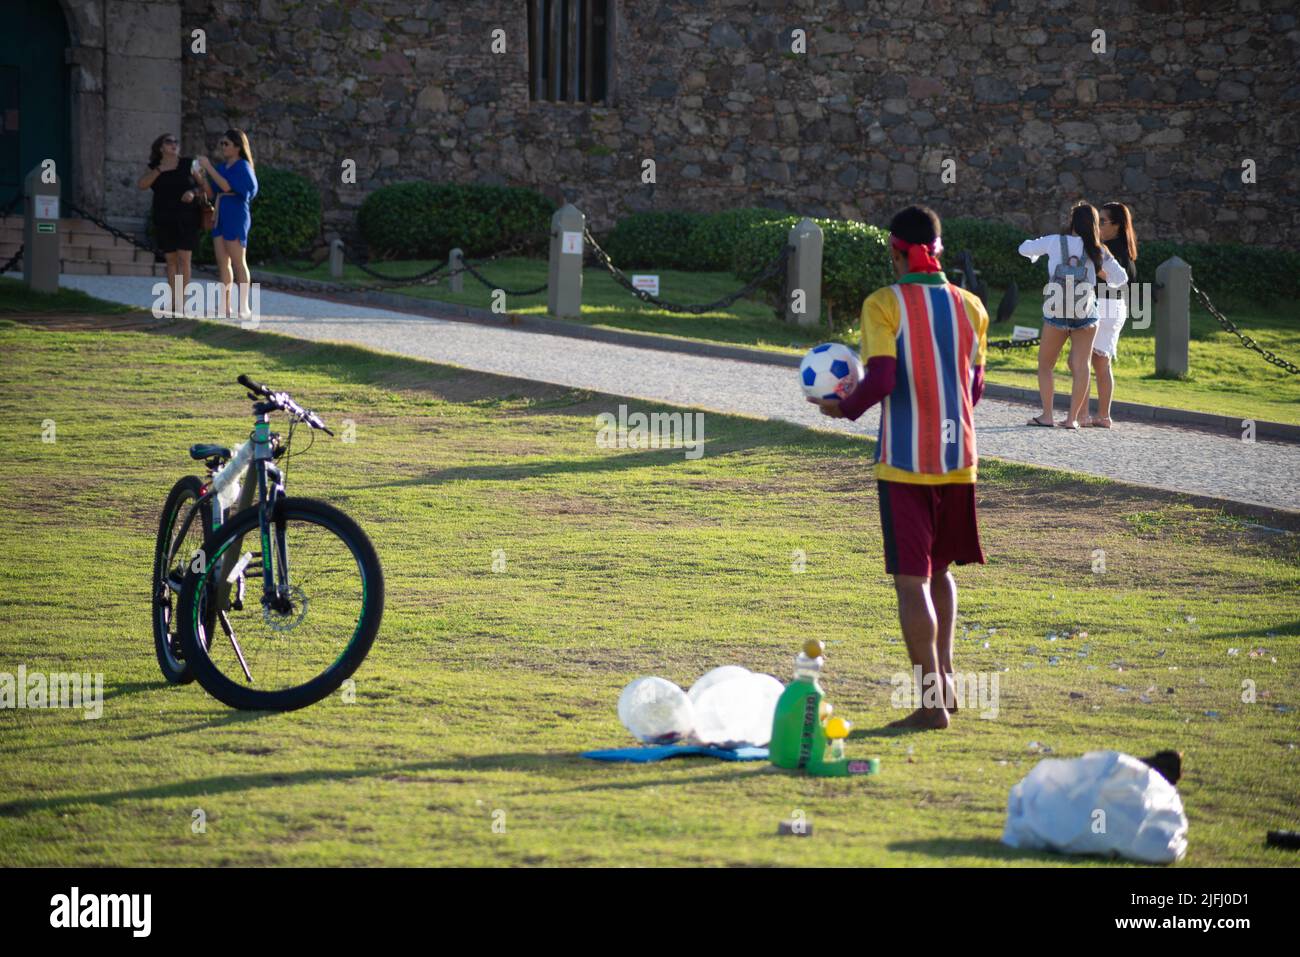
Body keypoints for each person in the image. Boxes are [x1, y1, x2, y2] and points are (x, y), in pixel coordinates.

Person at [809, 205, 989, 731]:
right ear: (937, 248)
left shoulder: (883, 304)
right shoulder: (971, 305)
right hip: (960, 462)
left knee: (910, 583)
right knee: (941, 572)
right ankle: (947, 685)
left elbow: (883, 378)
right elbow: (975, 387)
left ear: (895, 251)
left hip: (906, 464)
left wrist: (841, 408)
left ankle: (932, 706)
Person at [1018, 202, 1128, 429]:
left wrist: (1042, 253)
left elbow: (1024, 248)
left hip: (1057, 312)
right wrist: (1100, 272)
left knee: (1046, 365)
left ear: (1072, 222)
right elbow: (1121, 278)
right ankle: (1073, 419)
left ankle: (1047, 416)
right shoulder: (1098, 250)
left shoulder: (1054, 241)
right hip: (1086, 314)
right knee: (1082, 366)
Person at [136, 133, 209, 316]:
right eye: (169, 142)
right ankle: (173, 301)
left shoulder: (190, 163)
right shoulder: (155, 167)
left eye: (176, 141)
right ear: (161, 147)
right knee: (171, 261)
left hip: (187, 217)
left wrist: (193, 192)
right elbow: (142, 185)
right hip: (165, 218)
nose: (174, 144)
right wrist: (160, 169)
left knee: (184, 259)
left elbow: (206, 188)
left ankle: (182, 302)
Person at [1086, 202, 1139, 428]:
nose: (1098, 226)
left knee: (1081, 362)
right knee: (1101, 364)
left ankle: (1080, 415)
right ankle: (1103, 415)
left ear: (1116, 225)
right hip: (1116, 309)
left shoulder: (1105, 250)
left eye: (1103, 221)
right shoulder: (1127, 250)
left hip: (1102, 306)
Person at [197, 129, 259, 319]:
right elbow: (212, 191)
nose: (222, 147)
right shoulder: (223, 167)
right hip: (221, 214)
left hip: (236, 215)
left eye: (226, 144)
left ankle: (244, 306)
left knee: (239, 262)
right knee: (223, 262)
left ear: (238, 147)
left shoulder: (243, 166)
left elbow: (227, 187)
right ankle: (225, 306)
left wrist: (208, 166)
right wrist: (201, 177)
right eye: (221, 143)